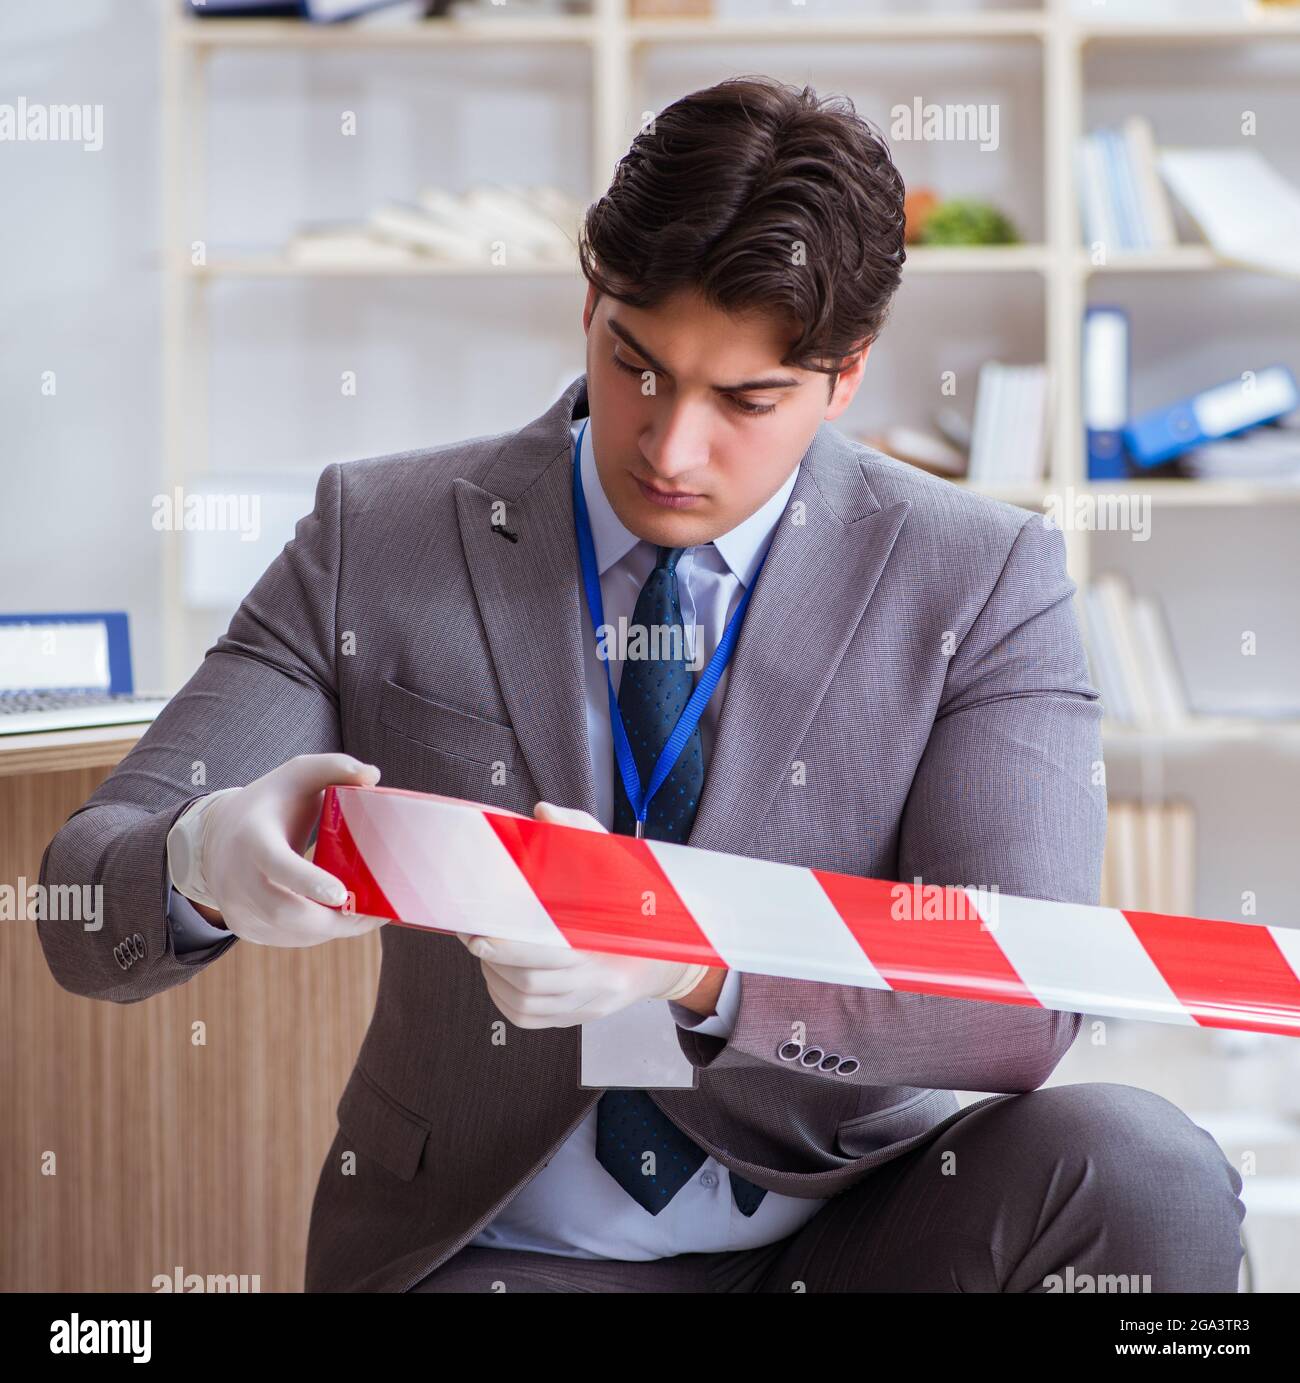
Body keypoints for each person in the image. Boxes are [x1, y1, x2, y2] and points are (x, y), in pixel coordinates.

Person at [38, 75, 1244, 1293]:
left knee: (1144, 1168)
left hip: (847, 1230)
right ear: (589, 305)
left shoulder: (981, 578)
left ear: (847, 373)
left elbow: (1018, 1000)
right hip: (499, 1249)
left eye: (746, 400)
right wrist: (198, 860)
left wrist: (696, 968)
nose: (669, 450)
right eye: (639, 366)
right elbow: (84, 896)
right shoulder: (380, 535)